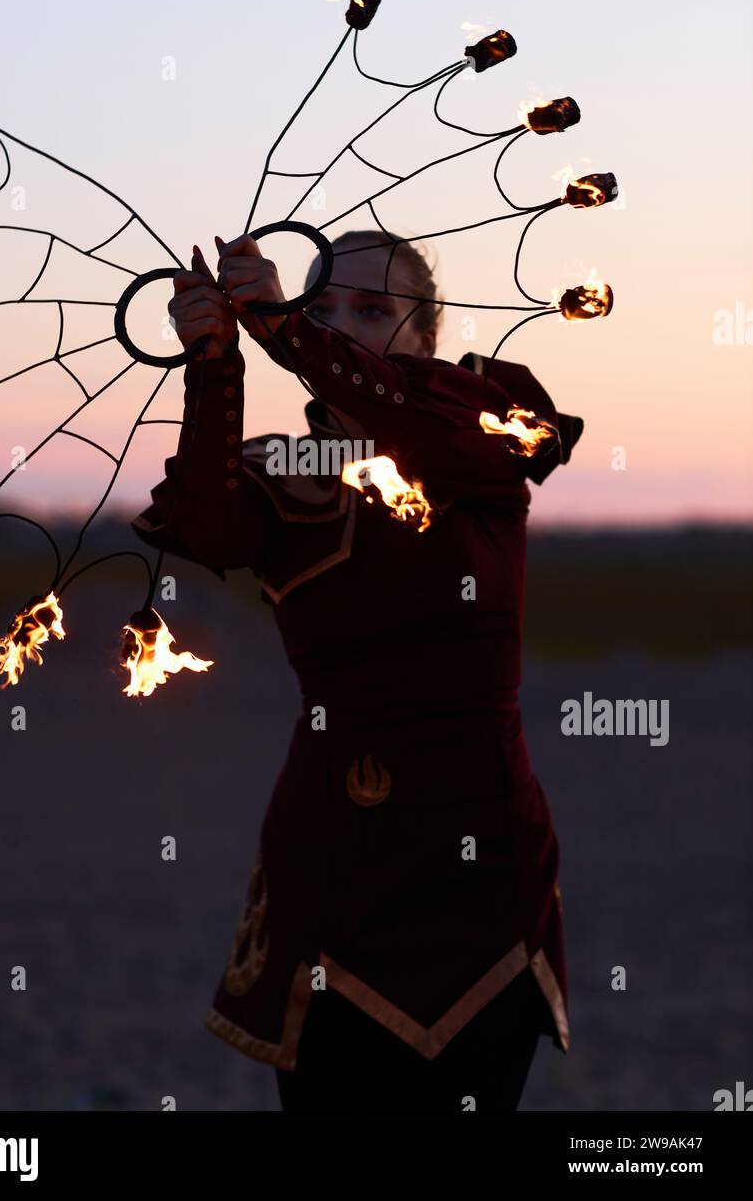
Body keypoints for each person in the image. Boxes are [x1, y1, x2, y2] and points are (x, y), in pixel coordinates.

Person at [131, 228, 583, 1112]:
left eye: (374, 310)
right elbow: (209, 523)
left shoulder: (483, 423)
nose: (341, 322)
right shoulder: (282, 473)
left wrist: (288, 332)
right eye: (322, 304)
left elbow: (418, 425)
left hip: (484, 872)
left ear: (426, 336)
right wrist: (216, 363)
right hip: (330, 868)